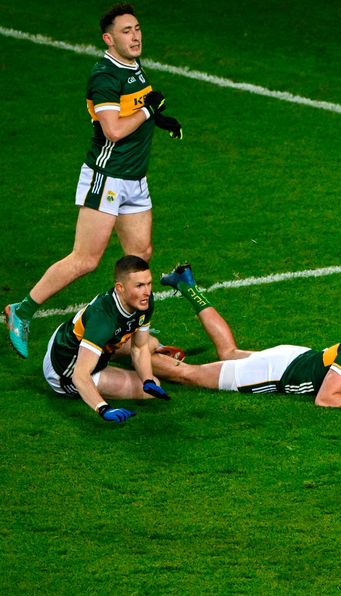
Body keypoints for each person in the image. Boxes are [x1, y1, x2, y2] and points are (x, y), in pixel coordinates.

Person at [4, 3, 182, 359]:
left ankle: (128, 328)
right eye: (126, 31)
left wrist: (158, 119)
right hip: (107, 177)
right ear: (108, 38)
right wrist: (149, 111)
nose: (135, 36)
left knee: (139, 257)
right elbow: (113, 130)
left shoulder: (132, 66)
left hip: (134, 178)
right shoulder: (104, 76)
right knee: (86, 259)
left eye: (137, 29)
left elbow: (134, 105)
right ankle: (20, 311)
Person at [151, 264, 341, 407]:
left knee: (229, 354)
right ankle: (132, 351)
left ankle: (186, 285)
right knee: (187, 374)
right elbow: (325, 399)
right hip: (277, 372)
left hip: (296, 356)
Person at [43, 255, 172, 423]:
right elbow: (80, 375)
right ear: (120, 288)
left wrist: (146, 378)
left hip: (71, 338)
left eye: (149, 283)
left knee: (151, 345)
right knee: (147, 390)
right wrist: (103, 408)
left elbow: (139, 348)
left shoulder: (144, 301)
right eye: (139, 285)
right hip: (64, 369)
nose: (147, 292)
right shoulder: (103, 320)